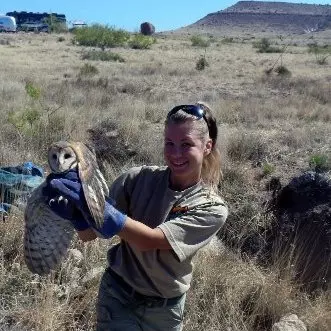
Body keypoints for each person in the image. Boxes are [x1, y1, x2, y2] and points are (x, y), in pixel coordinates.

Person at [46, 102, 228, 331]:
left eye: (187, 144)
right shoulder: (136, 179)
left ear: (207, 146)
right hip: (119, 297)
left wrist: (105, 212)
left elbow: (150, 240)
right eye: (169, 143)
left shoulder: (211, 207)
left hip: (164, 311)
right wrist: (77, 215)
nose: (176, 153)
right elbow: (89, 235)